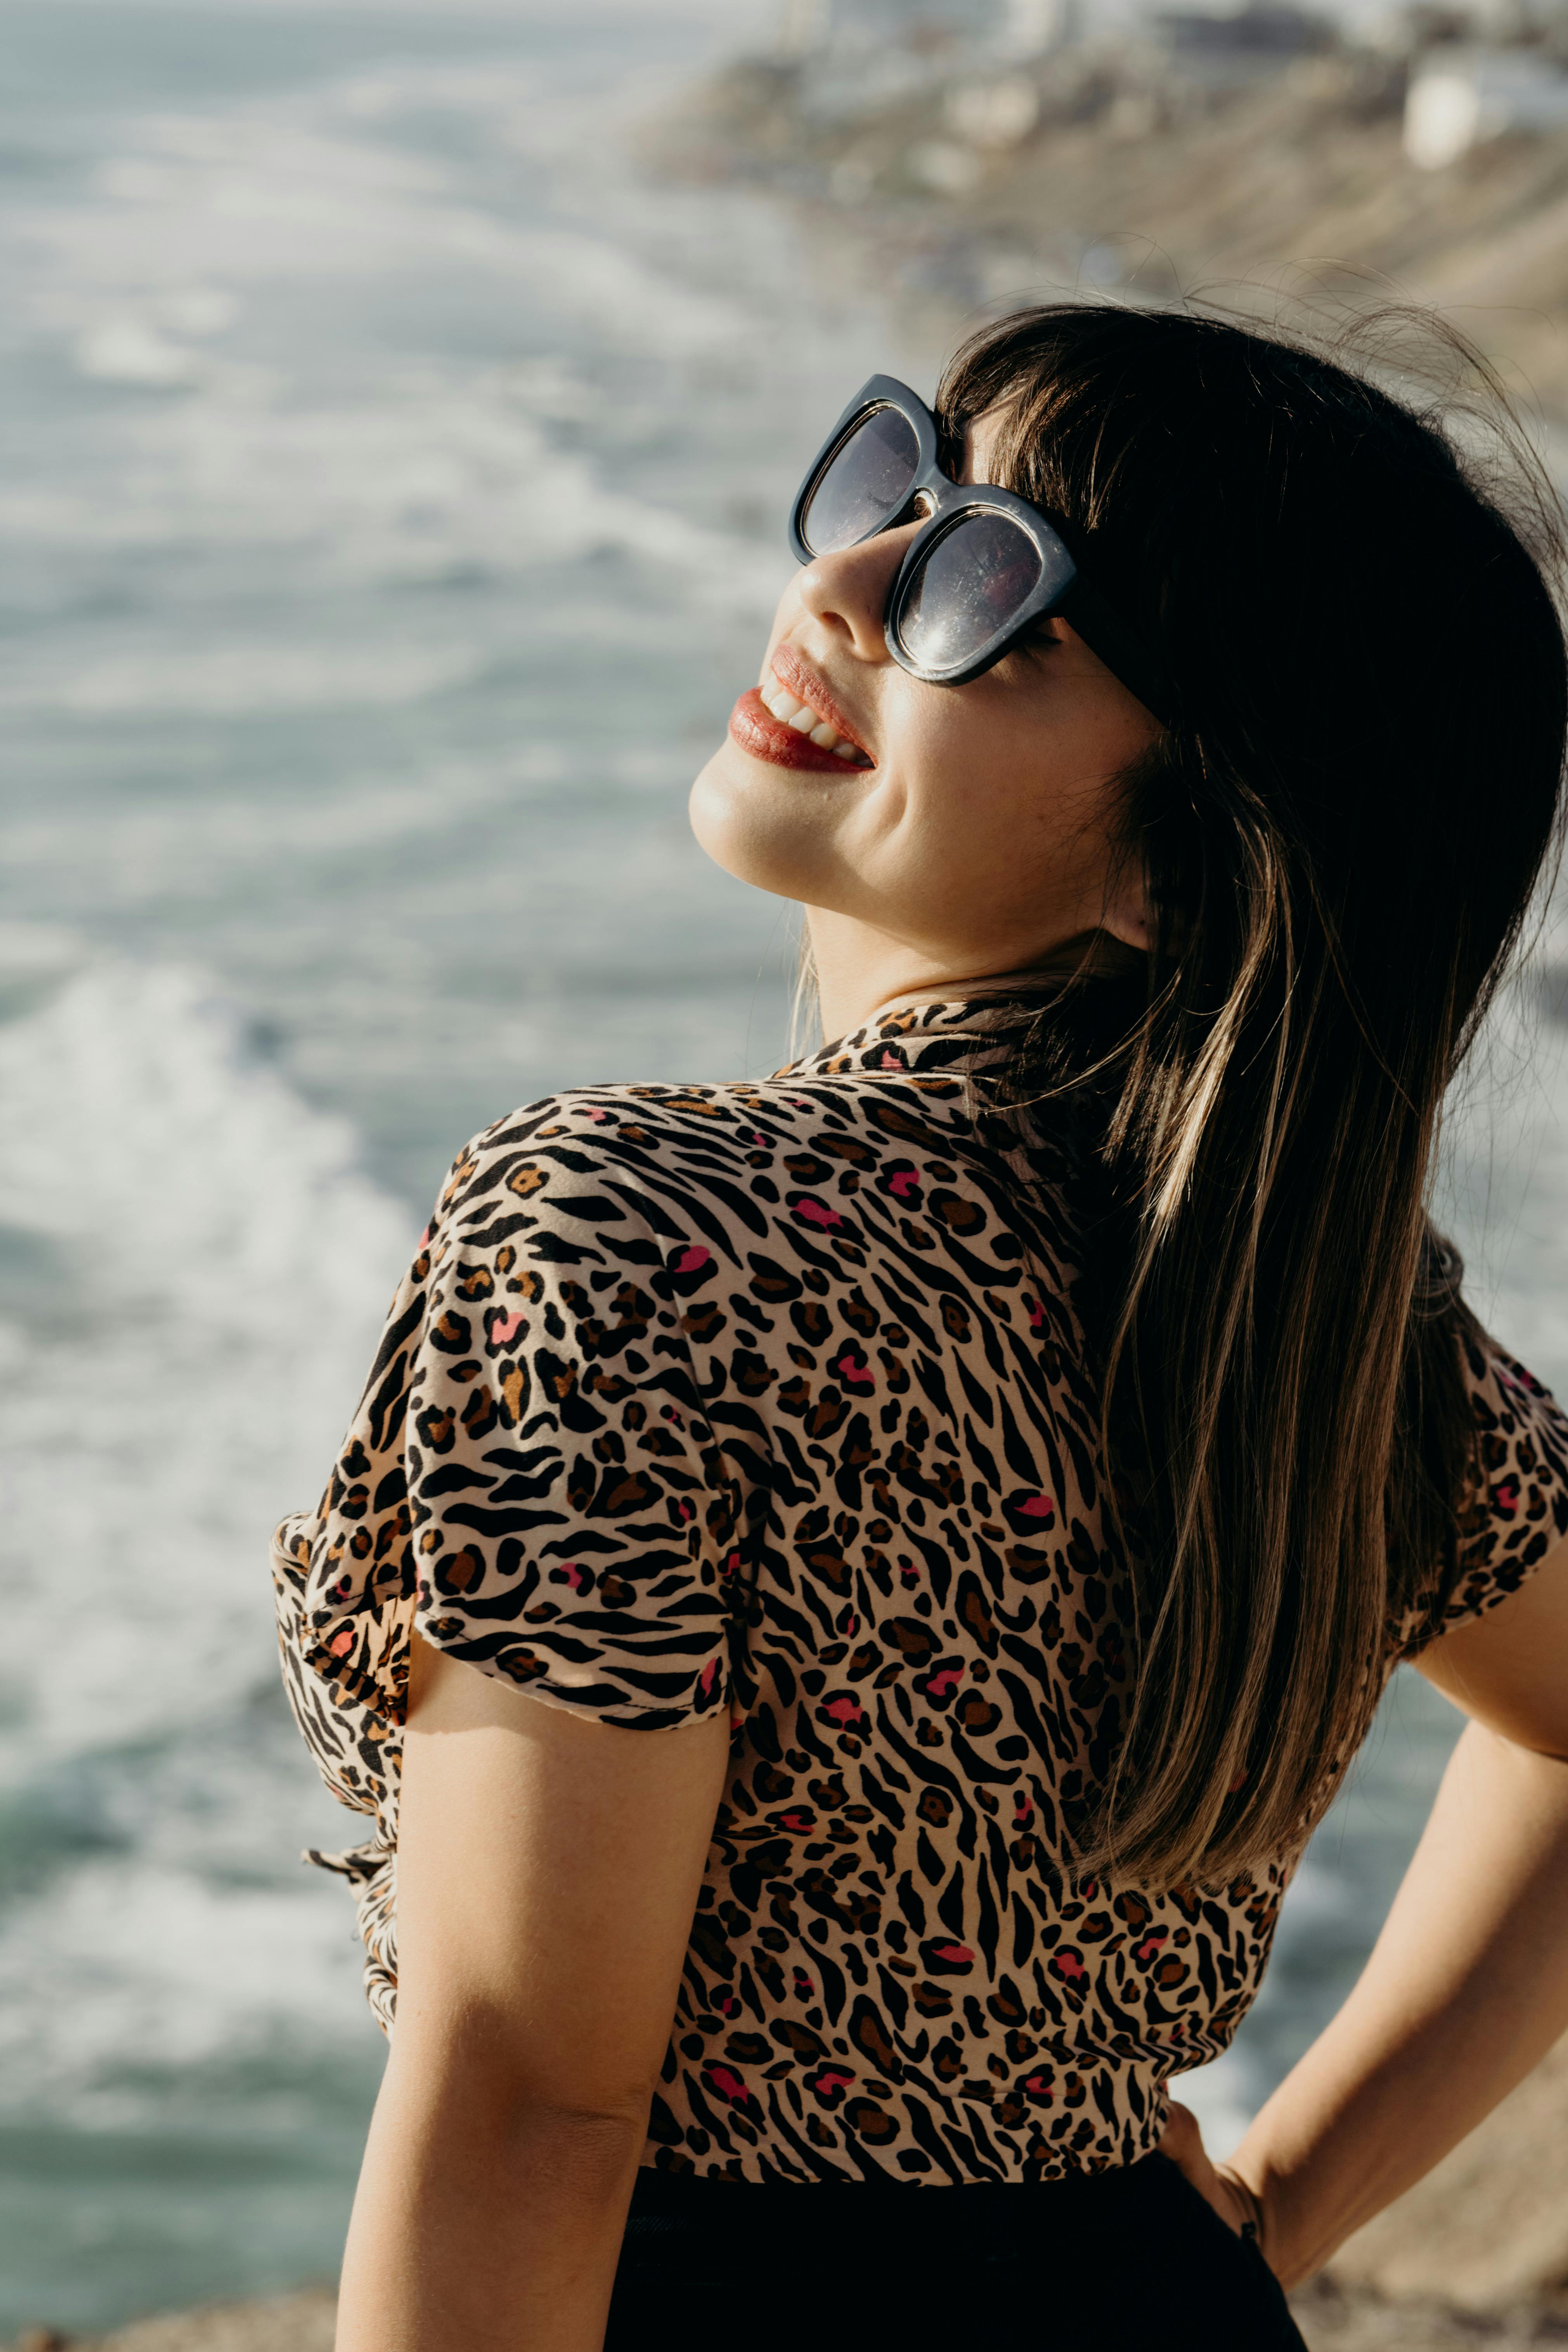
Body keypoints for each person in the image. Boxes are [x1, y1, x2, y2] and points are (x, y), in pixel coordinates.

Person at [272, 302, 1568, 2352]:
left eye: (1001, 599)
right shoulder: (1303, 1311)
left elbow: (536, 2108)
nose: (848, 579)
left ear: (1182, 863)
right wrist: (1276, 2211)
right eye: (904, 479)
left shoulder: (632, 1238)